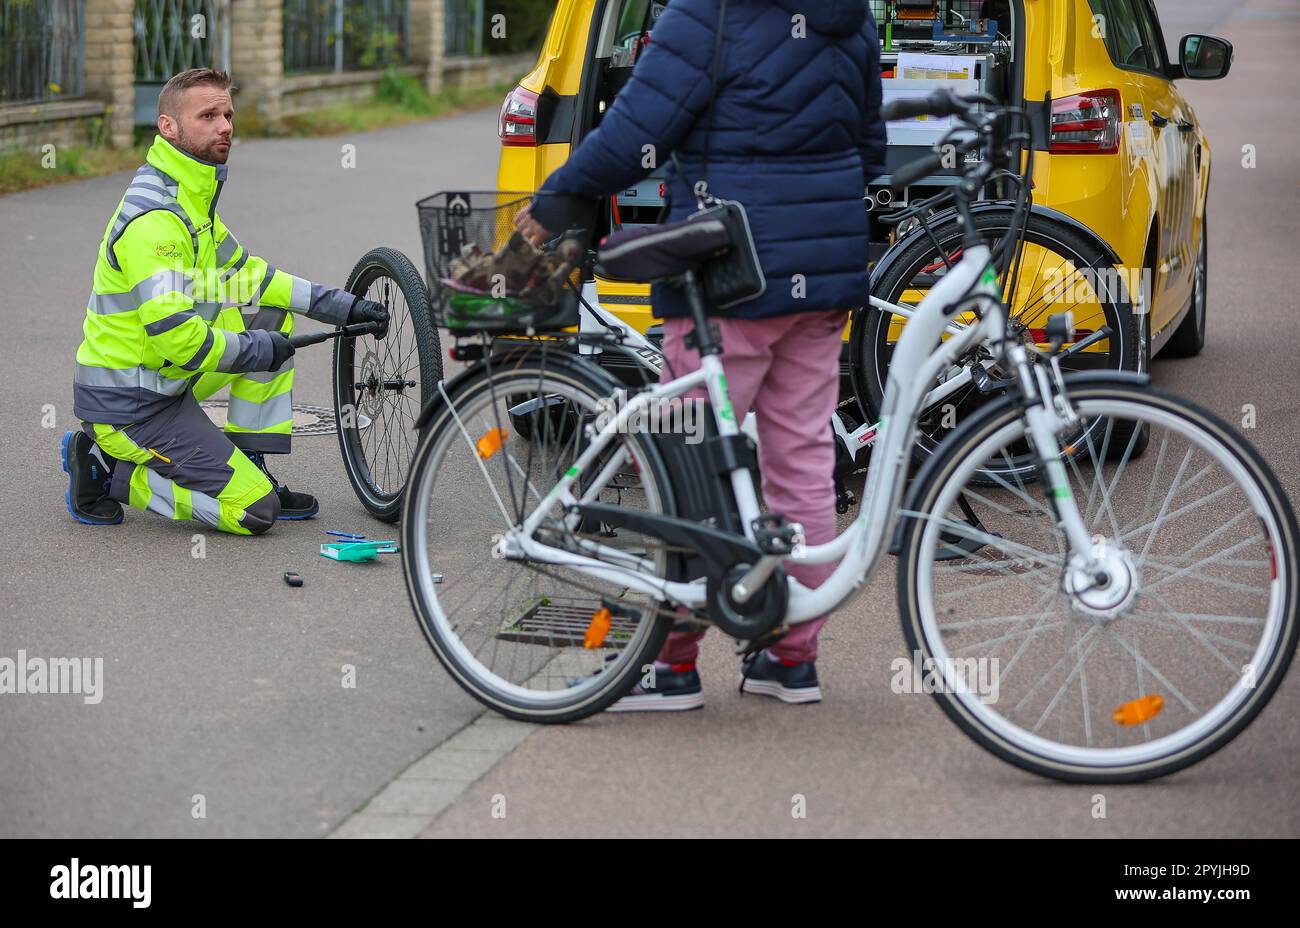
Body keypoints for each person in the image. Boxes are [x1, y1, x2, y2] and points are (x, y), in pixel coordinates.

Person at [515, 0, 886, 708]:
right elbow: (870, 143)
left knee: (681, 460)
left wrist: (564, 193)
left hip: (729, 268)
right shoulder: (850, 11)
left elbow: (637, 129)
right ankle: (791, 657)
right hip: (825, 263)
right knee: (804, 456)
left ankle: (670, 664)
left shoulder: (711, 11)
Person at [63, 68, 388, 535]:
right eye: (209, 115)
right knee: (255, 513)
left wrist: (343, 306)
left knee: (271, 318)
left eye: (228, 114)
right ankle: (106, 470)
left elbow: (252, 277)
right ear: (168, 127)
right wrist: (260, 349)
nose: (226, 126)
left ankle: (251, 462)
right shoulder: (156, 219)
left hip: (164, 380)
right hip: (130, 405)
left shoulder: (192, 201)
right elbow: (181, 342)